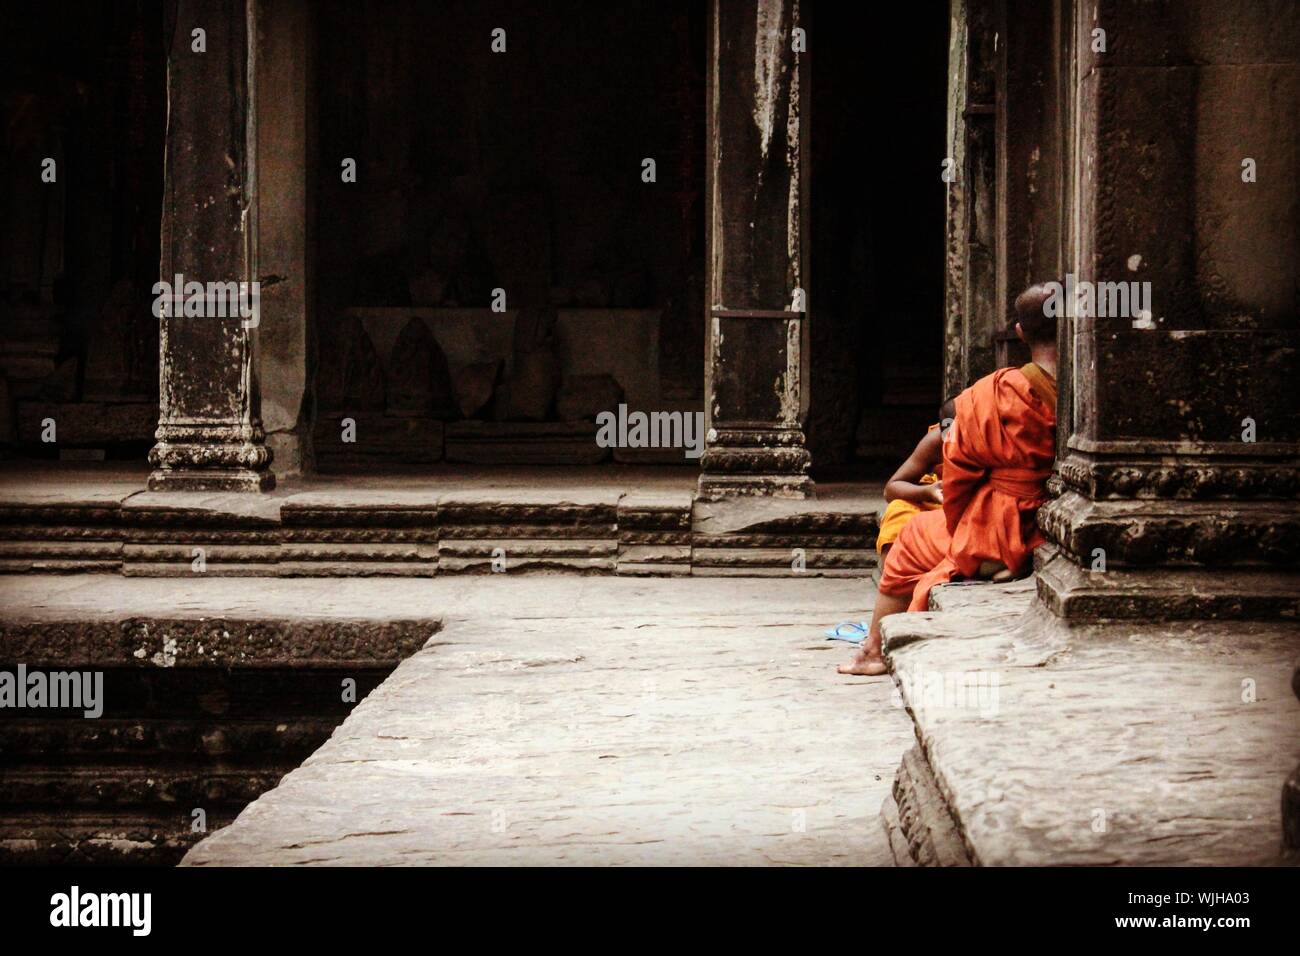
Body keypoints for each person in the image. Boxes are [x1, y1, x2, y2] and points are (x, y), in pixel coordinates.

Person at [839, 283, 1059, 677]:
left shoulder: (993, 393)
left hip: (1002, 527)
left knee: (911, 536)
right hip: (1050, 518)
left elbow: (958, 483)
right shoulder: (1086, 388)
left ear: (1021, 333)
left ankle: (872, 651)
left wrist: (963, 525)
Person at [874, 399, 957, 562]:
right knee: (898, 510)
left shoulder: (994, 436)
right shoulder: (937, 442)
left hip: (976, 507)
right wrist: (928, 492)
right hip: (941, 501)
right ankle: (892, 570)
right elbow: (891, 488)